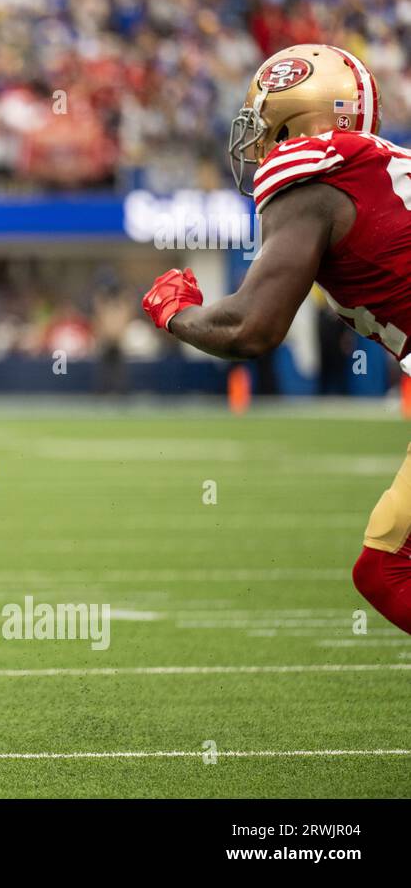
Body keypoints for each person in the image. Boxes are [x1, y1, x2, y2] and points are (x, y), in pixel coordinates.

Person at [143, 43, 411, 638]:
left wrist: (174, 314)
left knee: (388, 570)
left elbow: (252, 327)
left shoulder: (318, 169)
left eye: (265, 123)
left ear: (301, 121)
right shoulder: (379, 165)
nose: (256, 141)